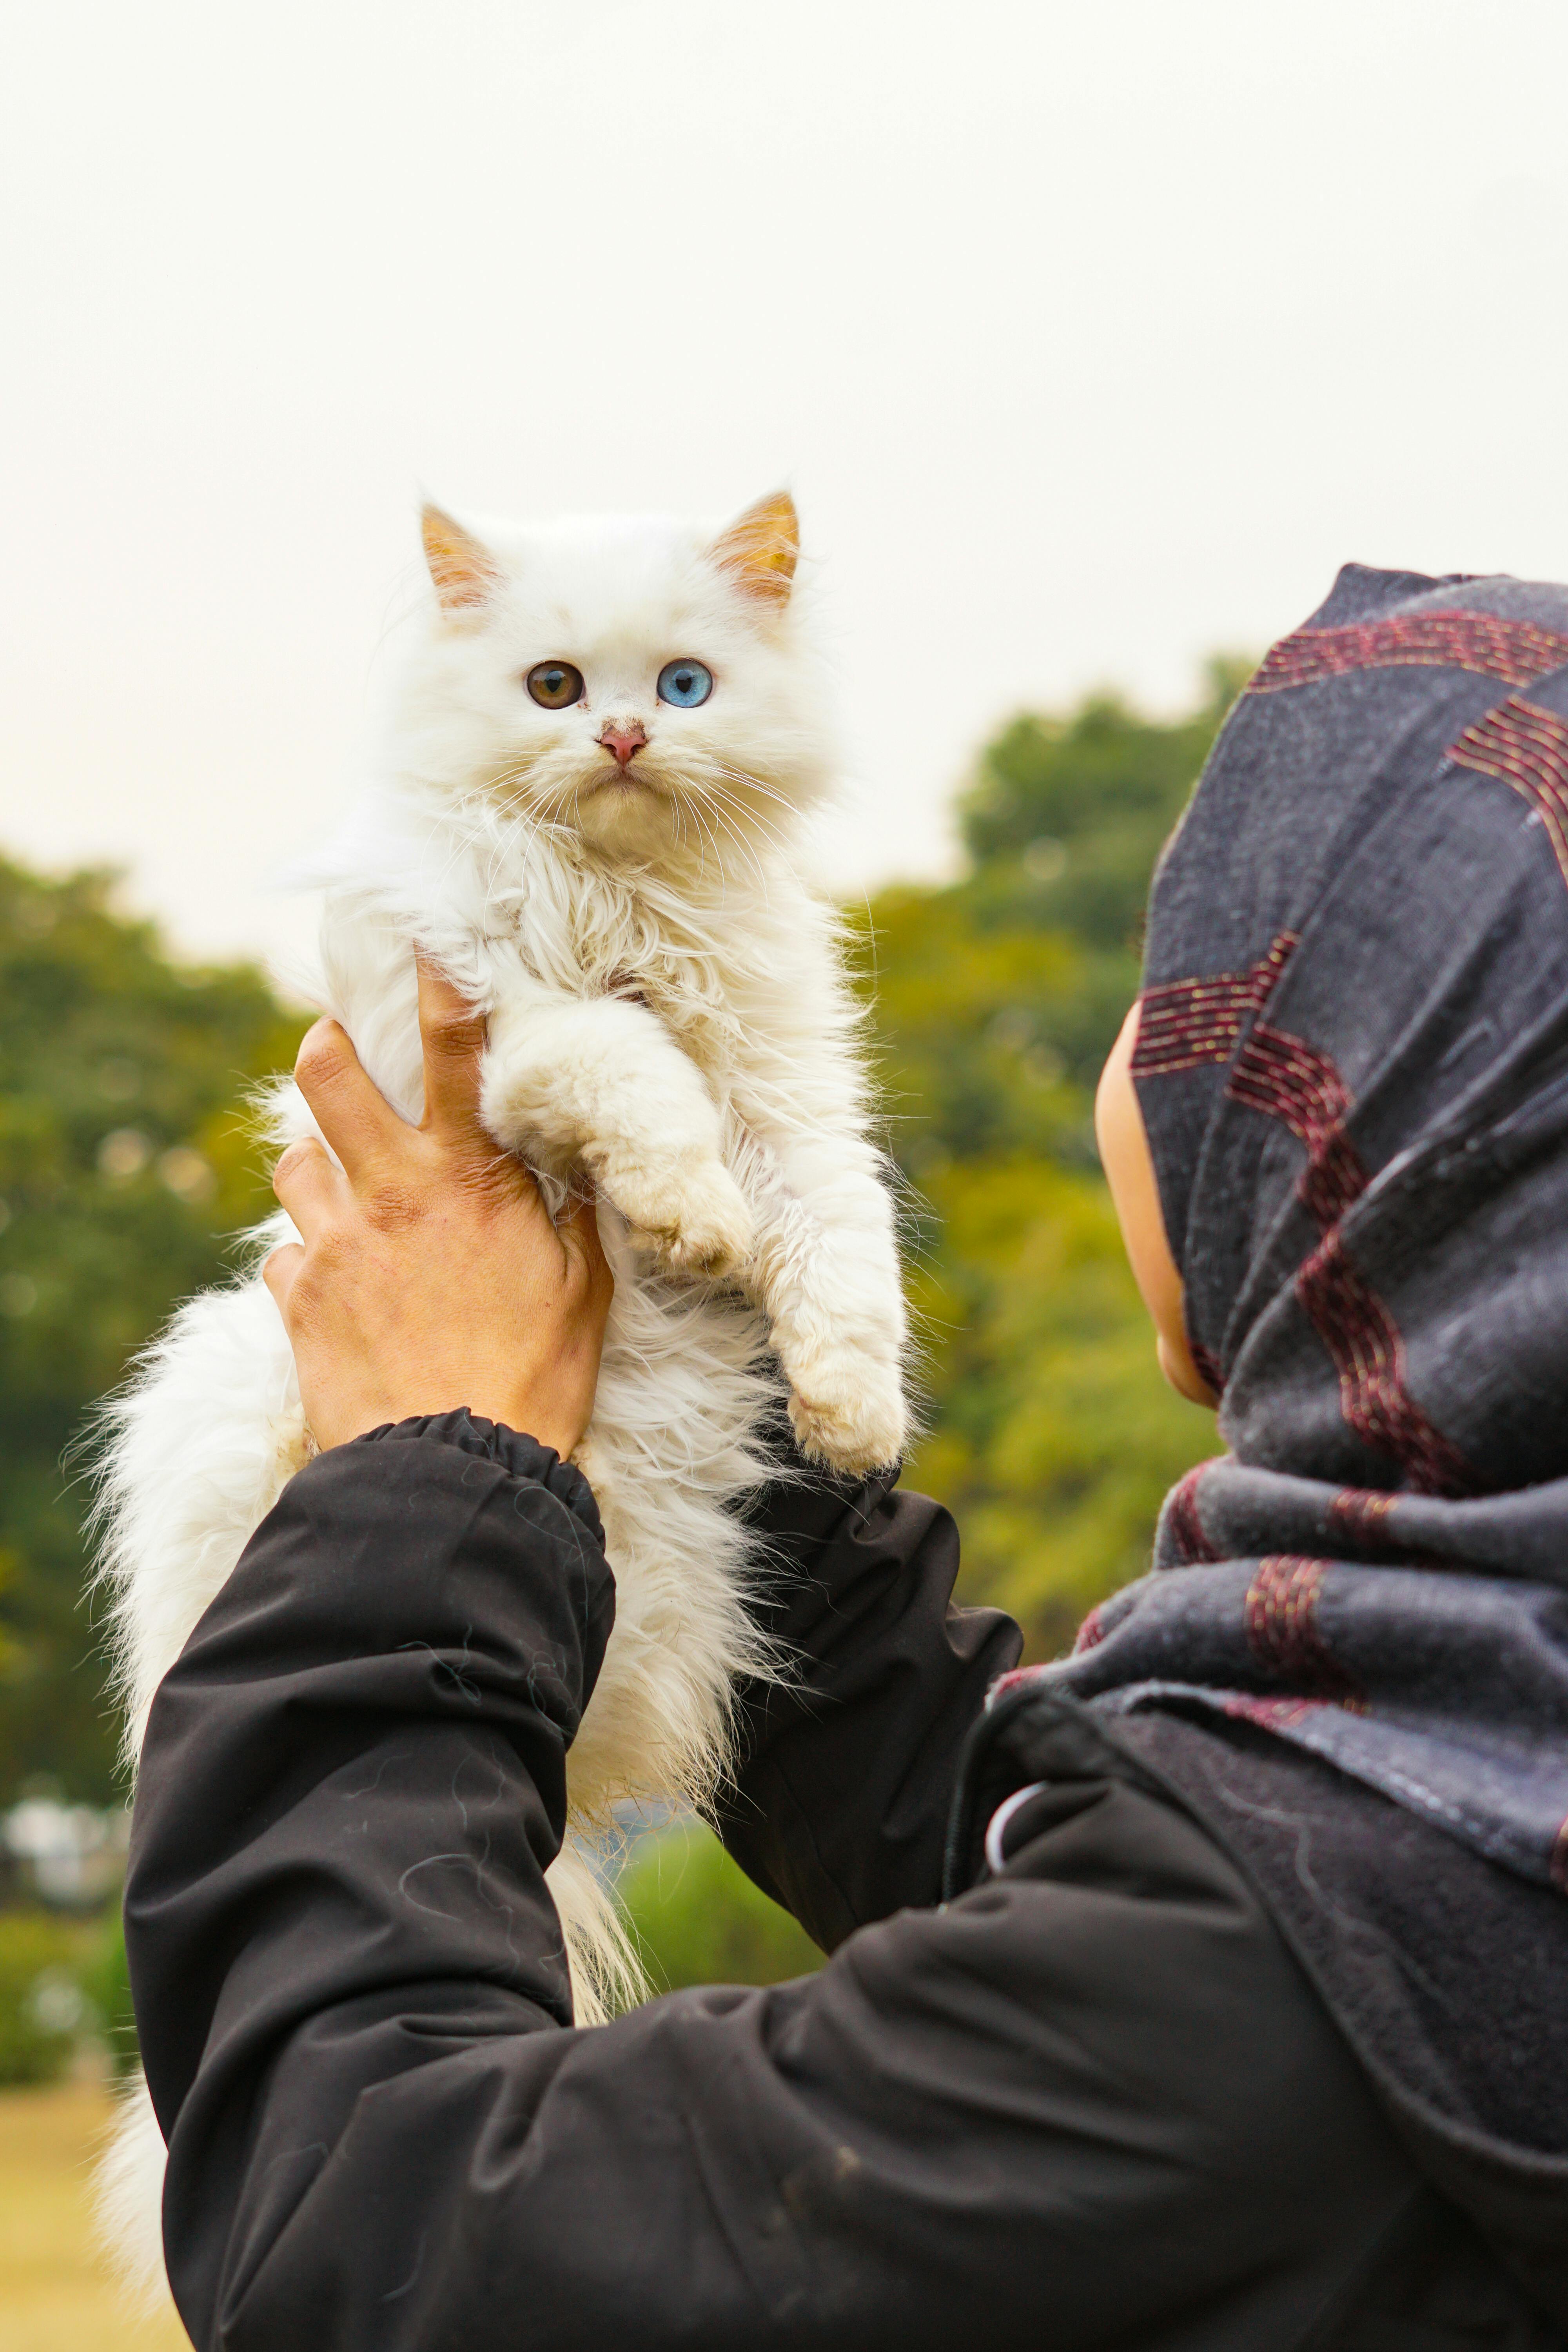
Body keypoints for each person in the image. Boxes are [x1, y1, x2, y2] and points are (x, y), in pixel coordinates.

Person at [126, 565, 1568, 2350]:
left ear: (1368, 1101)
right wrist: (679, 1411)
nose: (1140, 1050)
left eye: (1193, 961)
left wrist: (433, 1475)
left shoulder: (1277, 1990)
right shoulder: (1456, 1764)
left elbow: (378, 2235)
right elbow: (1039, 1841)